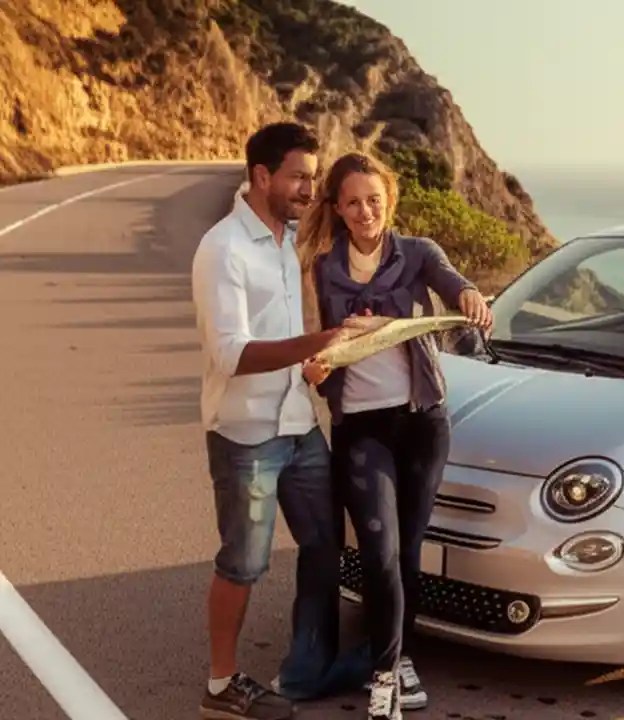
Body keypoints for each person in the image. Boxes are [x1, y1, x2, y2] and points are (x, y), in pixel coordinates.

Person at [295, 151, 491, 720]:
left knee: (407, 548)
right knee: (378, 552)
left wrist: (470, 299)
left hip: (422, 421)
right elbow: (315, 341)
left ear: (391, 200)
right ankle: (384, 675)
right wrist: (314, 367)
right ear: (336, 207)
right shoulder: (323, 266)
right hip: (361, 426)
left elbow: (454, 286)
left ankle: (400, 657)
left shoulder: (417, 256)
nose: (365, 212)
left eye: (374, 200)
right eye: (352, 202)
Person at [191, 123, 374, 719]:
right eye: (298, 175)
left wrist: (322, 357)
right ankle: (221, 685)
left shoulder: (292, 240)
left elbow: (366, 230)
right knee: (243, 562)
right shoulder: (223, 250)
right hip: (245, 434)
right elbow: (233, 354)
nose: (308, 187)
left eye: (312, 176)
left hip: (299, 424)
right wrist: (317, 340)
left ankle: (309, 662)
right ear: (261, 176)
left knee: (324, 543)